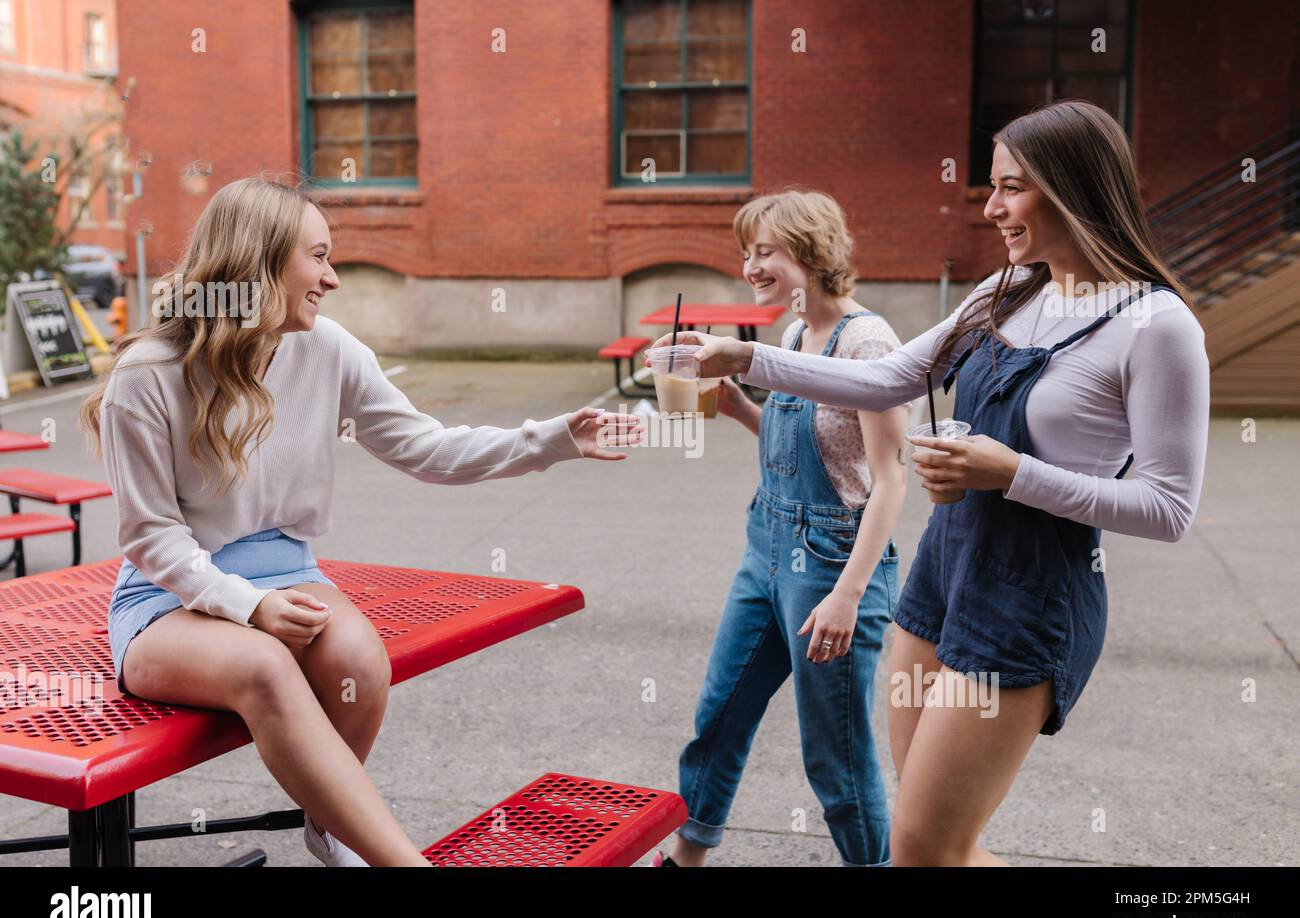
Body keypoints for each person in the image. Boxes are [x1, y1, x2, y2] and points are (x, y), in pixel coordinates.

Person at [648, 101, 1210, 865]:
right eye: (990, 186)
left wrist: (1009, 471)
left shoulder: (1158, 325)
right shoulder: (1003, 290)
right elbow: (883, 380)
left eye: (1011, 188)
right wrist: (742, 359)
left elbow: (1169, 508)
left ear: (1072, 187)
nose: (991, 208)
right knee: (932, 836)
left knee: (919, 846)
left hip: (1031, 594)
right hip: (942, 577)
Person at [79, 176, 643, 867]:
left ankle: (331, 827)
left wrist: (551, 440)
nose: (333, 278)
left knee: (358, 663)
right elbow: (149, 535)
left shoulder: (328, 350)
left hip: (283, 566)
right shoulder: (149, 374)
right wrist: (247, 607)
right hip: (168, 593)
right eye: (317, 257)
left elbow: (427, 449)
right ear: (259, 260)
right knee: (263, 669)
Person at [653, 190, 909, 867]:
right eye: (747, 252)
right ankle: (687, 857)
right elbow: (812, 446)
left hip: (833, 564)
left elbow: (889, 479)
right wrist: (740, 410)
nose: (750, 265)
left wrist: (848, 596)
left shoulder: (869, 342)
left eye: (764, 251)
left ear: (813, 251)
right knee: (720, 716)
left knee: (837, 758)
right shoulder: (796, 334)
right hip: (766, 547)